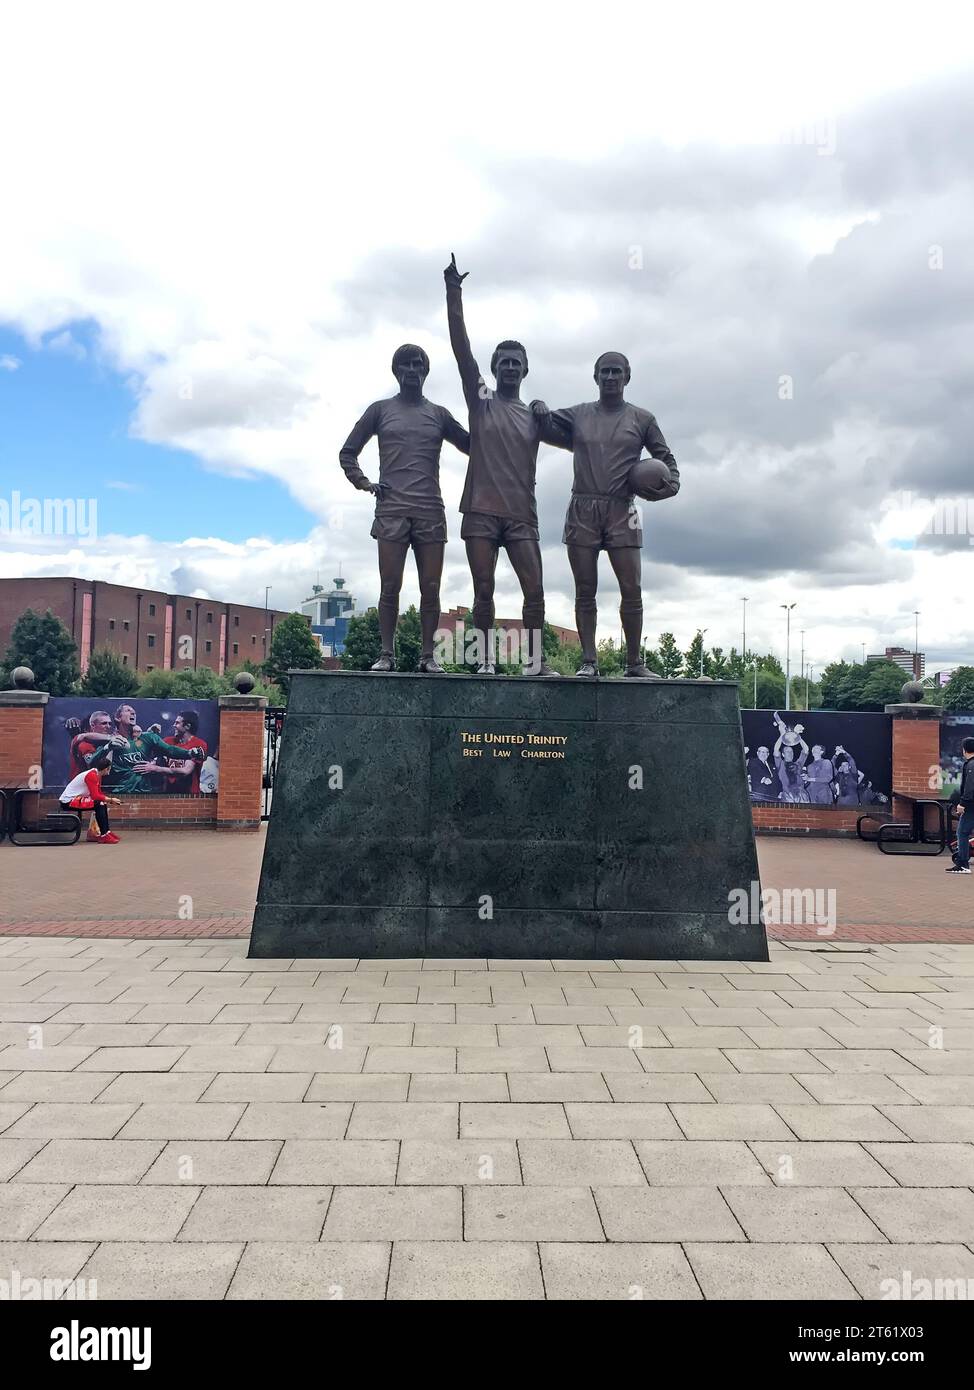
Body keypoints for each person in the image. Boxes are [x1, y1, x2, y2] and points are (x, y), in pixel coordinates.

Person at [444, 253, 558, 675]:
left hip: (521, 514)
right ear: (494, 369)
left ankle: (534, 662)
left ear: (526, 370)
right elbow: (461, 348)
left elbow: (581, 437)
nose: (509, 367)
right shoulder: (483, 400)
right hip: (480, 511)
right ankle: (485, 662)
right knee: (483, 590)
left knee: (536, 590)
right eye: (503, 362)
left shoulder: (536, 415)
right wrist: (454, 291)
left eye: (516, 362)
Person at [536, 352, 680, 677]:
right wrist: (539, 407)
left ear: (627, 377)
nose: (610, 377)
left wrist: (666, 489)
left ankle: (634, 663)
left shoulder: (643, 419)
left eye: (617, 371)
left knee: (632, 588)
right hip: (582, 508)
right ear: (595, 377)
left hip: (623, 508)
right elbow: (543, 425)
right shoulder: (579, 415)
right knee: (585, 589)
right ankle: (588, 660)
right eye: (605, 371)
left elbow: (668, 463)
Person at [339, 344, 470, 672]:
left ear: (425, 371)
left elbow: (473, 445)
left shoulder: (439, 414)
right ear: (396, 371)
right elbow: (348, 452)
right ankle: (387, 654)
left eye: (418, 364)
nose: (412, 370)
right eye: (406, 365)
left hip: (429, 510)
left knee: (431, 587)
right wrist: (364, 482)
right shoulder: (380, 410)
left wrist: (491, 419)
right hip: (392, 510)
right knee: (390, 585)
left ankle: (428, 656)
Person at [59, 748, 122, 843]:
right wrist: (111, 799)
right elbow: (95, 796)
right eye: (109, 768)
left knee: (102, 802)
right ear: (106, 769)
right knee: (100, 803)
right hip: (68, 801)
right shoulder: (92, 775)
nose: (110, 771)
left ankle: (106, 832)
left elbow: (98, 793)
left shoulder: (96, 774)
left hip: (76, 799)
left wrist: (108, 800)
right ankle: (104, 835)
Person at [946, 735, 974, 875]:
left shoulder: (971, 765)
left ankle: (963, 863)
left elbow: (970, 787)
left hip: (971, 806)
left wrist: (962, 803)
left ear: (964, 750)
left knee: (962, 832)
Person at [774, 728, 809, 802]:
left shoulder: (798, 763)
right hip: (787, 794)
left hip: (801, 793)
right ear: (783, 754)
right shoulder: (780, 764)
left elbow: (806, 749)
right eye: (787, 751)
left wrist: (797, 736)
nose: (790, 753)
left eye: (791, 751)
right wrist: (782, 735)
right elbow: (776, 750)